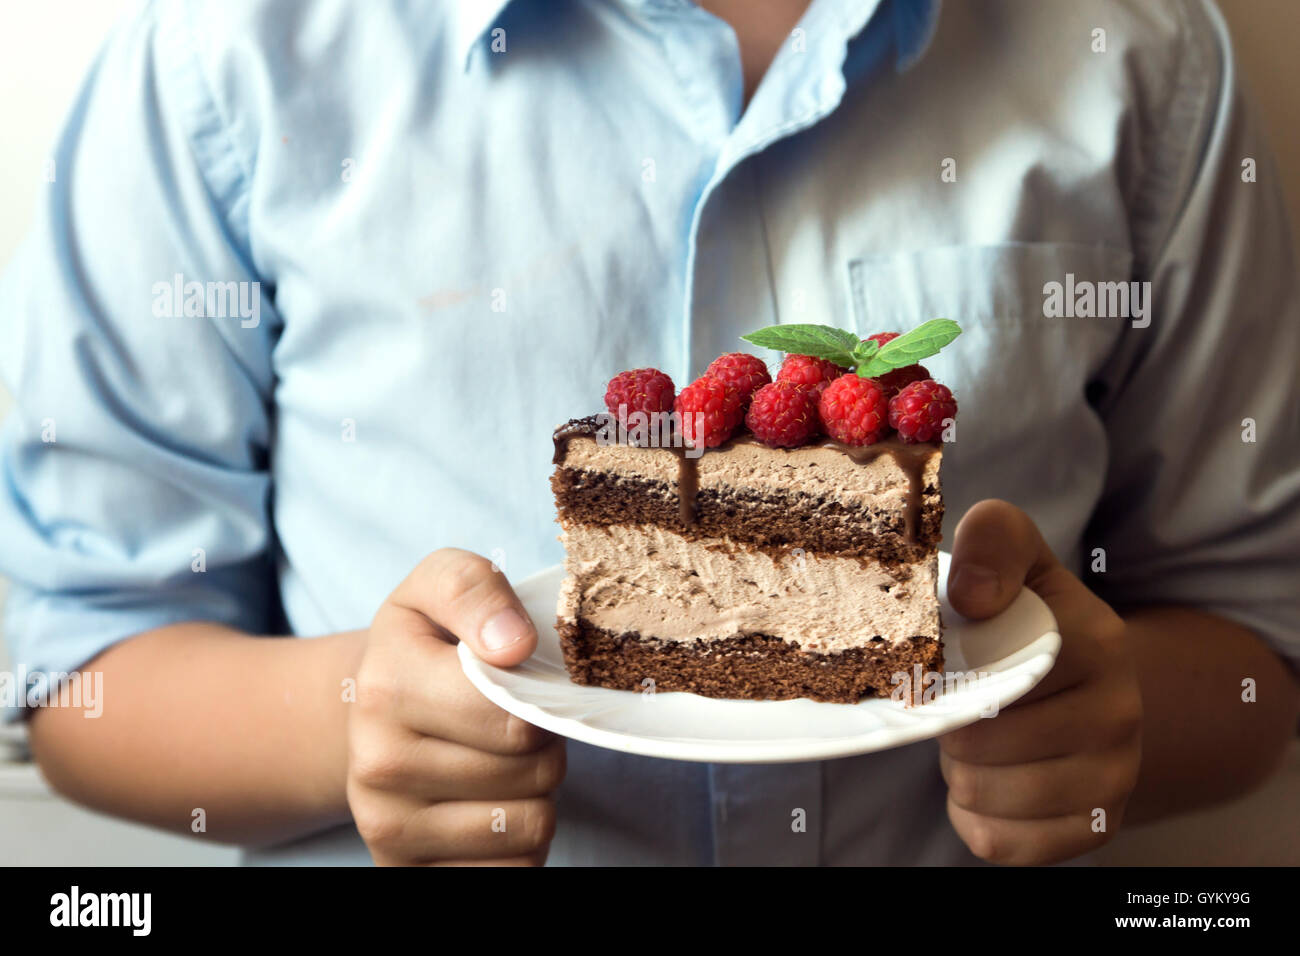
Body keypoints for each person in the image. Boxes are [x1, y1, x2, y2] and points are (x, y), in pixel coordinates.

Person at [1, 0, 1297, 867]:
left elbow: (1258, 640)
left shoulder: (1138, 47)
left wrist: (1110, 716)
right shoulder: (231, 48)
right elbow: (77, 668)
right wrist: (346, 719)